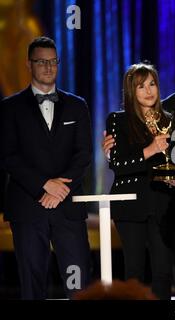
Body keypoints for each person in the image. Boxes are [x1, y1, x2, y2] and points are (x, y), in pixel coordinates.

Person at [0, 36, 92, 299]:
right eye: (42, 62)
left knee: (78, 285)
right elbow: (8, 156)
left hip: (68, 207)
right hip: (28, 207)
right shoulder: (9, 108)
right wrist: (44, 184)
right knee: (32, 285)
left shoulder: (77, 105)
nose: (49, 67)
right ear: (29, 65)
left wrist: (59, 189)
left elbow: (83, 154)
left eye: (53, 61)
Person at [105, 63, 175, 300]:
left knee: (162, 272)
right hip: (130, 204)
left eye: (152, 84)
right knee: (134, 271)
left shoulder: (170, 120)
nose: (148, 91)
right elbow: (118, 164)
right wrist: (149, 149)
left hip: (162, 203)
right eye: (141, 86)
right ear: (131, 91)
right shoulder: (118, 120)